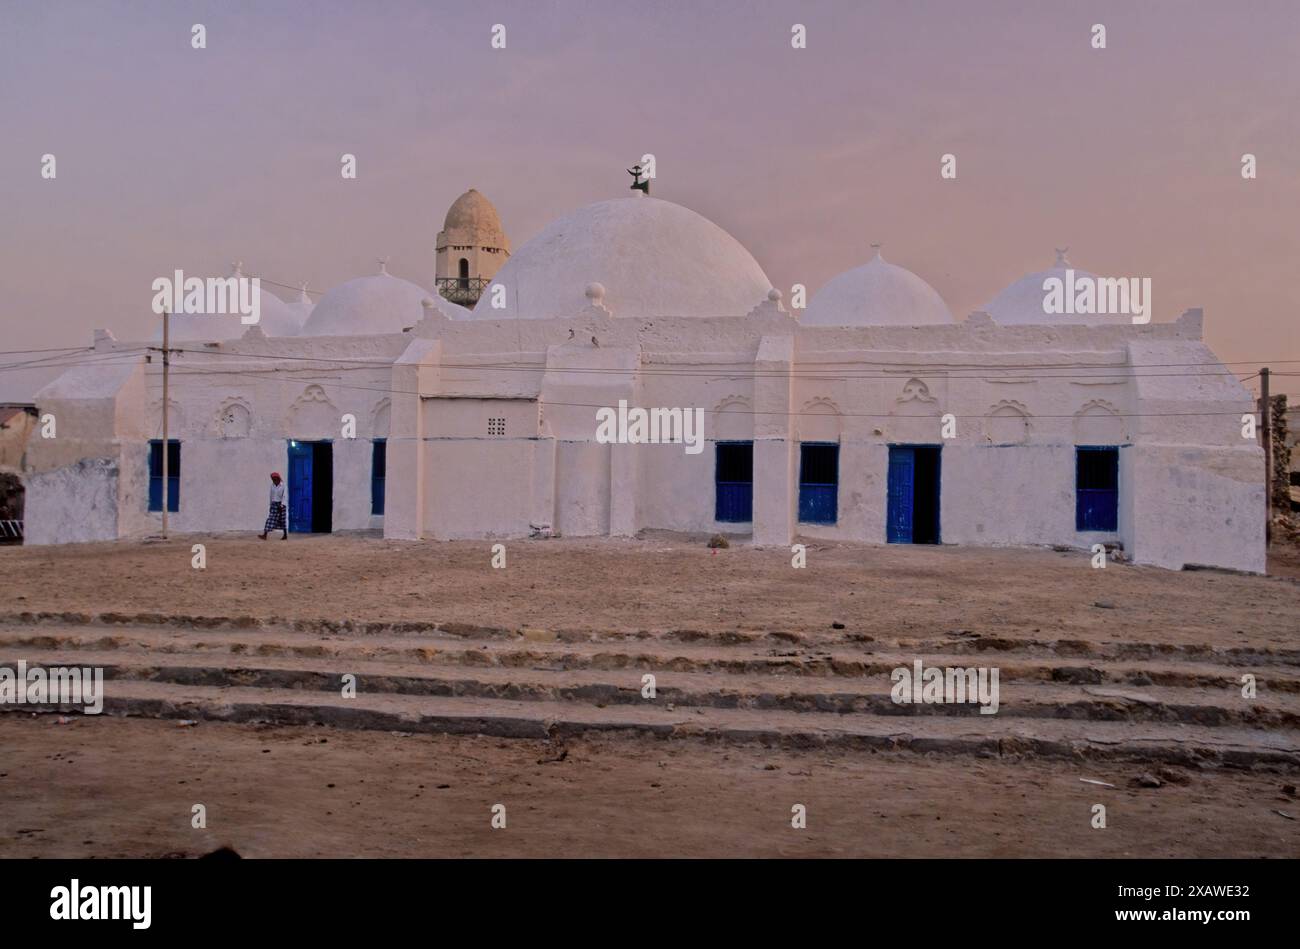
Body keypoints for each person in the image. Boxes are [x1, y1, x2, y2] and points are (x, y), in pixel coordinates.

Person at [258, 472, 287, 540]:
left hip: (281, 505)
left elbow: (284, 496)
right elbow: (271, 496)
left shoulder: (283, 485)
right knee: (270, 519)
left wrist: (282, 505)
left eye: (275, 478)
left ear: (278, 478)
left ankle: (285, 535)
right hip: (274, 504)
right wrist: (270, 505)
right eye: (273, 479)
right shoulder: (272, 486)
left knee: (282, 520)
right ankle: (265, 535)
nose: (274, 480)